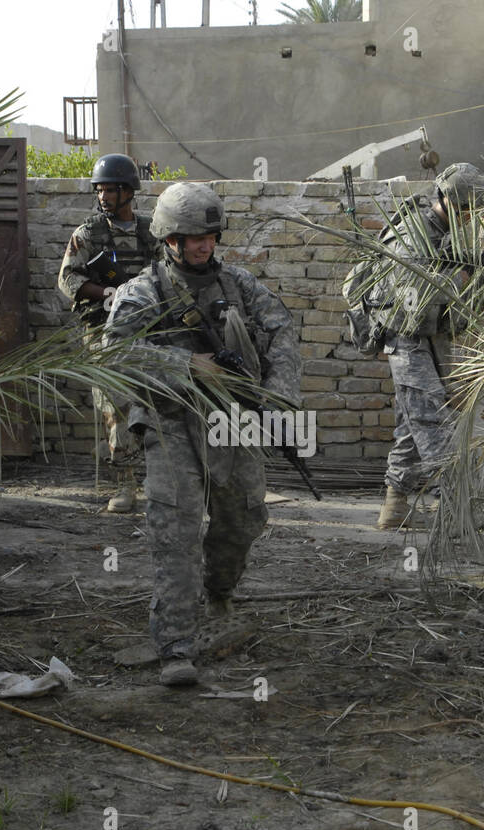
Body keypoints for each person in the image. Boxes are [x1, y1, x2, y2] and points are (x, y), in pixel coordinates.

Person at [105, 182, 300, 686]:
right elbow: (115, 355)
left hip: (232, 421)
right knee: (178, 531)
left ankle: (220, 593)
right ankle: (175, 646)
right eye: (192, 237)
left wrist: (277, 394)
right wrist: (185, 363)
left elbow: (281, 331)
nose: (203, 245)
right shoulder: (142, 292)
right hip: (171, 423)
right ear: (168, 239)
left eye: (210, 235)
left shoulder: (238, 285)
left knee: (241, 520)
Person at [349, 162, 484, 530]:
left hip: (436, 338)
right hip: (406, 342)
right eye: (463, 210)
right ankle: (456, 508)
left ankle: (394, 507)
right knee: (433, 421)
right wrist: (459, 280)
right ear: (444, 199)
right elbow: (411, 295)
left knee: (412, 428)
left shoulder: (450, 231)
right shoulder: (411, 235)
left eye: (472, 211)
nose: (469, 217)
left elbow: (474, 280)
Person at [57, 154, 160, 513]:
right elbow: (68, 279)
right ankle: (125, 483)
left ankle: (159, 479)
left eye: (111, 190)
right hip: (104, 334)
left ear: (129, 192)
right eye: (99, 190)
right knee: (115, 409)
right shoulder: (88, 234)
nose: (103, 197)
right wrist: (105, 293)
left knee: (154, 405)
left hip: (150, 333)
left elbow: (171, 277)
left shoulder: (153, 232)